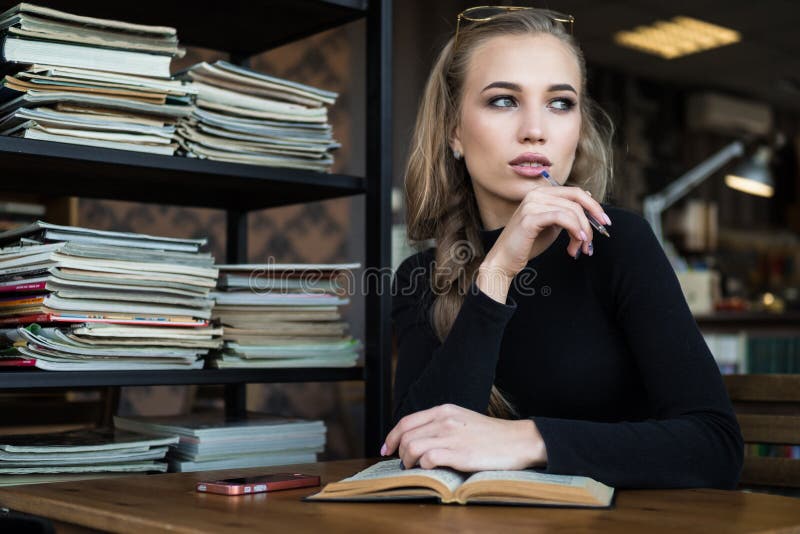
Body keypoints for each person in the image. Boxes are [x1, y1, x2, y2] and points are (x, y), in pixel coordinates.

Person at [381, 6, 743, 489]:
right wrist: (497, 273)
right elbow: (413, 451)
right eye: (504, 101)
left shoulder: (620, 245)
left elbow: (715, 446)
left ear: (578, 128)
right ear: (454, 132)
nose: (536, 129)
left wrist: (528, 440)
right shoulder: (419, 277)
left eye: (559, 103)